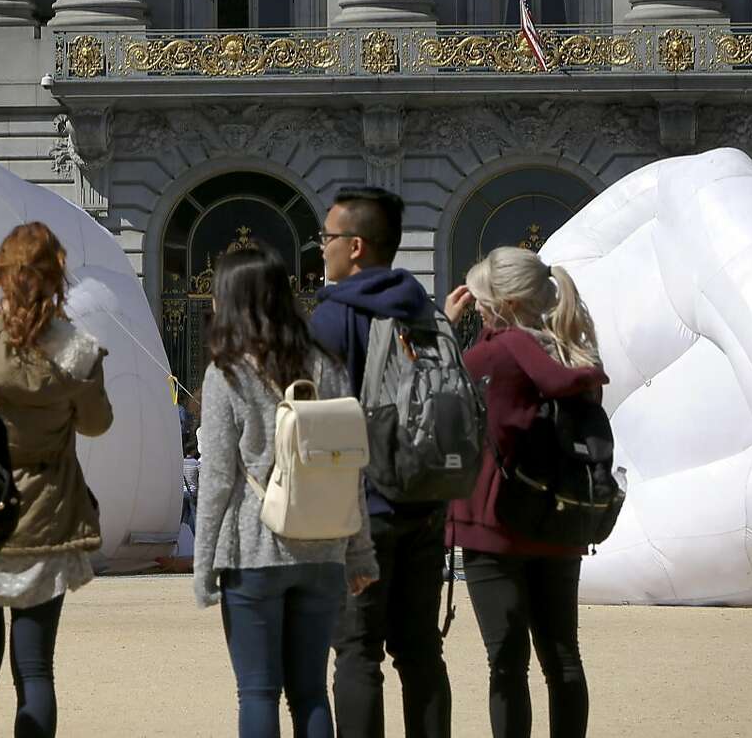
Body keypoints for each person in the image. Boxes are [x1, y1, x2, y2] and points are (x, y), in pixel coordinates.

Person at [194, 245, 377, 738]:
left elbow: (216, 477)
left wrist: (205, 562)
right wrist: (360, 554)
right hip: (323, 545)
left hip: (254, 546)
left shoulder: (226, 372)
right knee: (311, 692)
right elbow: (349, 469)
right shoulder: (327, 365)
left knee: (257, 692)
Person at [0, 222, 113, 738]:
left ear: (1, 274)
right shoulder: (78, 350)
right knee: (36, 670)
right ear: (56, 277)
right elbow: (97, 424)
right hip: (47, 513)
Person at [308, 187, 454, 738]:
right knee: (420, 650)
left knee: (357, 651)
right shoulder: (424, 310)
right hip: (426, 497)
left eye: (328, 237)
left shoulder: (333, 317)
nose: (321, 248)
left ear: (357, 246)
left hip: (361, 506)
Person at [445, 249, 608, 738]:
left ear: (508, 302)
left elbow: (434, 401)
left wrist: (443, 332)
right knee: (563, 658)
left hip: (494, 524)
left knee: (507, 666)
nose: (474, 306)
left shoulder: (491, 356)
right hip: (560, 519)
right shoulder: (572, 354)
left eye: (480, 297)